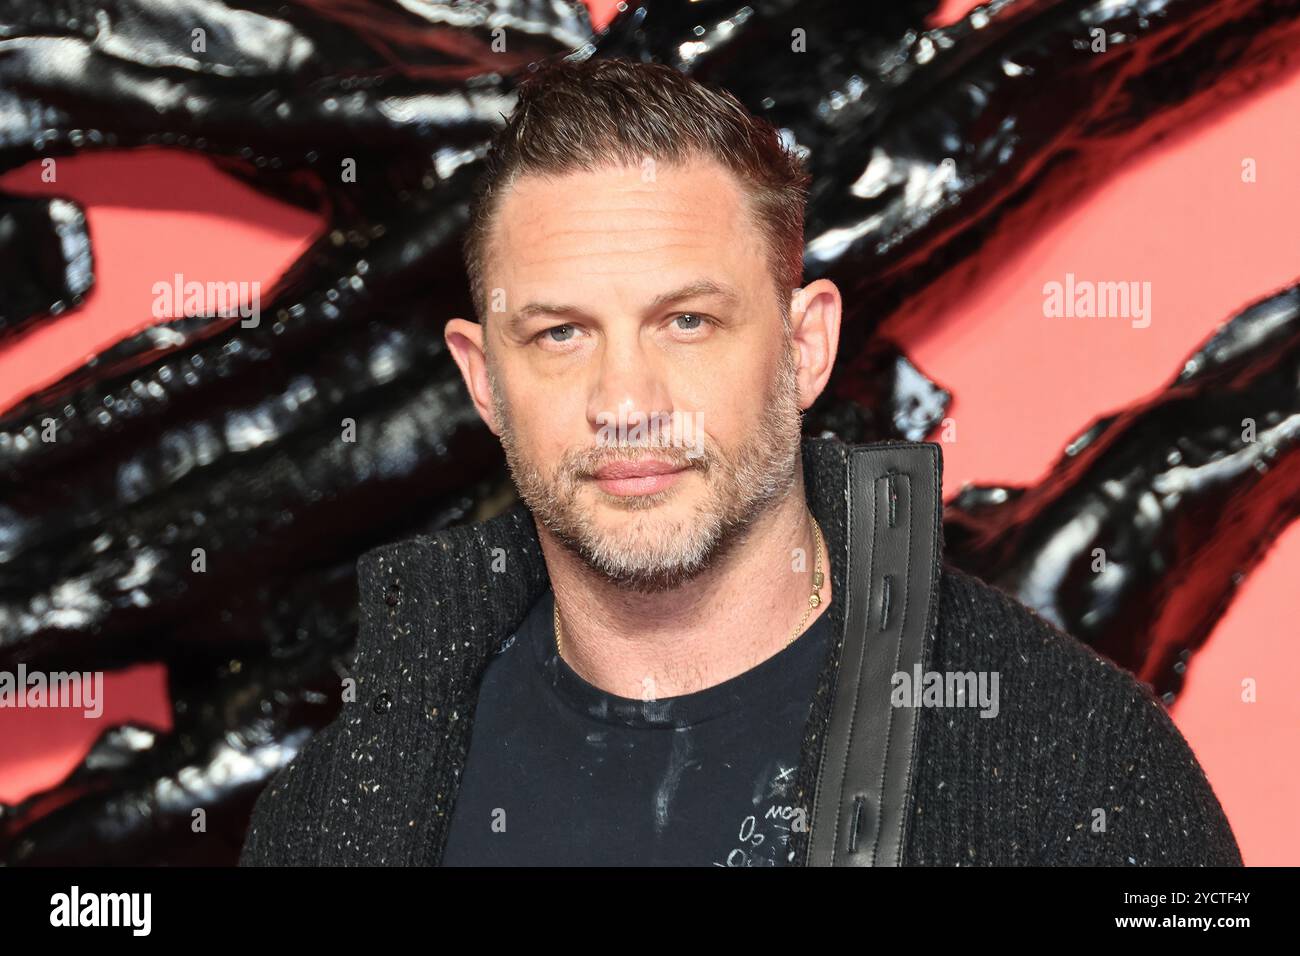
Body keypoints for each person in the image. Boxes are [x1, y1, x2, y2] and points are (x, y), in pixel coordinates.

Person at [239, 57, 1240, 867]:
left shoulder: (1073, 764)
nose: (624, 402)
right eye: (558, 334)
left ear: (803, 345)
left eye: (686, 320)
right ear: (482, 375)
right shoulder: (336, 810)